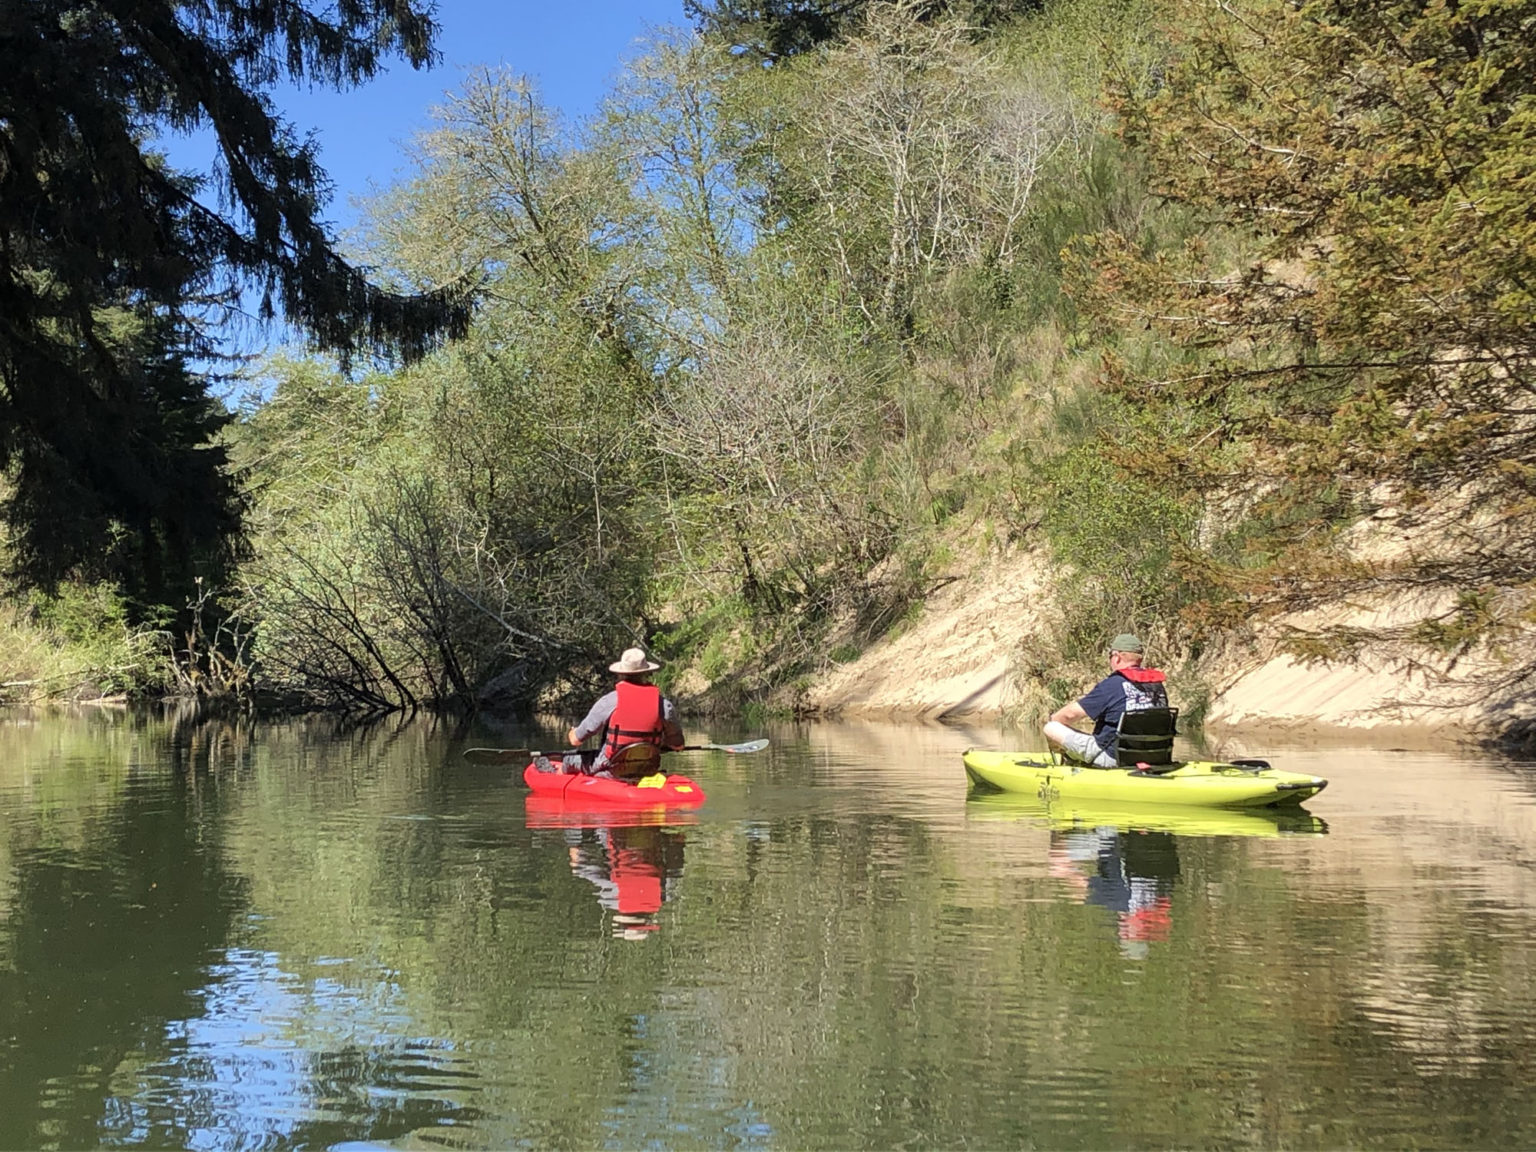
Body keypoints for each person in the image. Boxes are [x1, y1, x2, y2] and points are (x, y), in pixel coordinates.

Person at [1043, 633, 1169, 769]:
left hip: (1113, 758)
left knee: (1051, 726)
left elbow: (1069, 715)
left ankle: (1063, 764)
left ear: (1117, 657)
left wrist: (1055, 720)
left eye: (1110, 656)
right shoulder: (1157, 686)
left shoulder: (1112, 685)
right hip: (1156, 756)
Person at [566, 647, 685, 777]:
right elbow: (678, 745)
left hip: (611, 767)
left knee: (568, 760)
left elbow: (576, 740)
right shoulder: (664, 705)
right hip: (648, 767)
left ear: (621, 674)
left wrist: (572, 732)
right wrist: (655, 745)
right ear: (646, 673)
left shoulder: (609, 701)